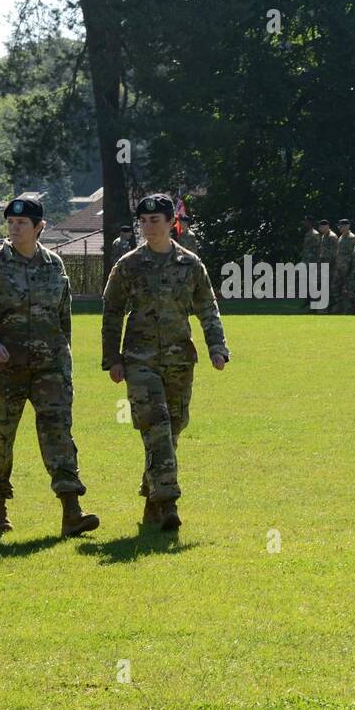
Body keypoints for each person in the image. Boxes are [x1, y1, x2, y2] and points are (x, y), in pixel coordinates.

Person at [0, 196, 98, 537]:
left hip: (49, 369)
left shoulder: (55, 265)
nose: (14, 227)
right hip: (3, 370)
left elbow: (63, 318)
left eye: (22, 223)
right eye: (10, 222)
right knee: (0, 439)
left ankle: (72, 510)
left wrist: (64, 361)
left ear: (39, 227)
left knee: (58, 434)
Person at [102, 193, 229, 531]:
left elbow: (207, 307)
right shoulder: (128, 265)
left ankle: (151, 495)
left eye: (154, 220)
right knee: (155, 425)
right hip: (139, 360)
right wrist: (111, 359)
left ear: (171, 222)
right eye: (142, 221)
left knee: (172, 429)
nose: (147, 227)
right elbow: (112, 313)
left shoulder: (191, 264)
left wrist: (217, 346)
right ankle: (169, 500)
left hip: (179, 359)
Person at [330, 218, 353, 314]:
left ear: (347, 226)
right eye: (339, 226)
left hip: (347, 268)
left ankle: (348, 308)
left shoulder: (351, 238)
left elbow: (353, 255)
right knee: (335, 286)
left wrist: (349, 268)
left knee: (346, 289)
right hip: (339, 267)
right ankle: (339, 306)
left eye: (342, 226)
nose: (340, 227)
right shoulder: (341, 237)